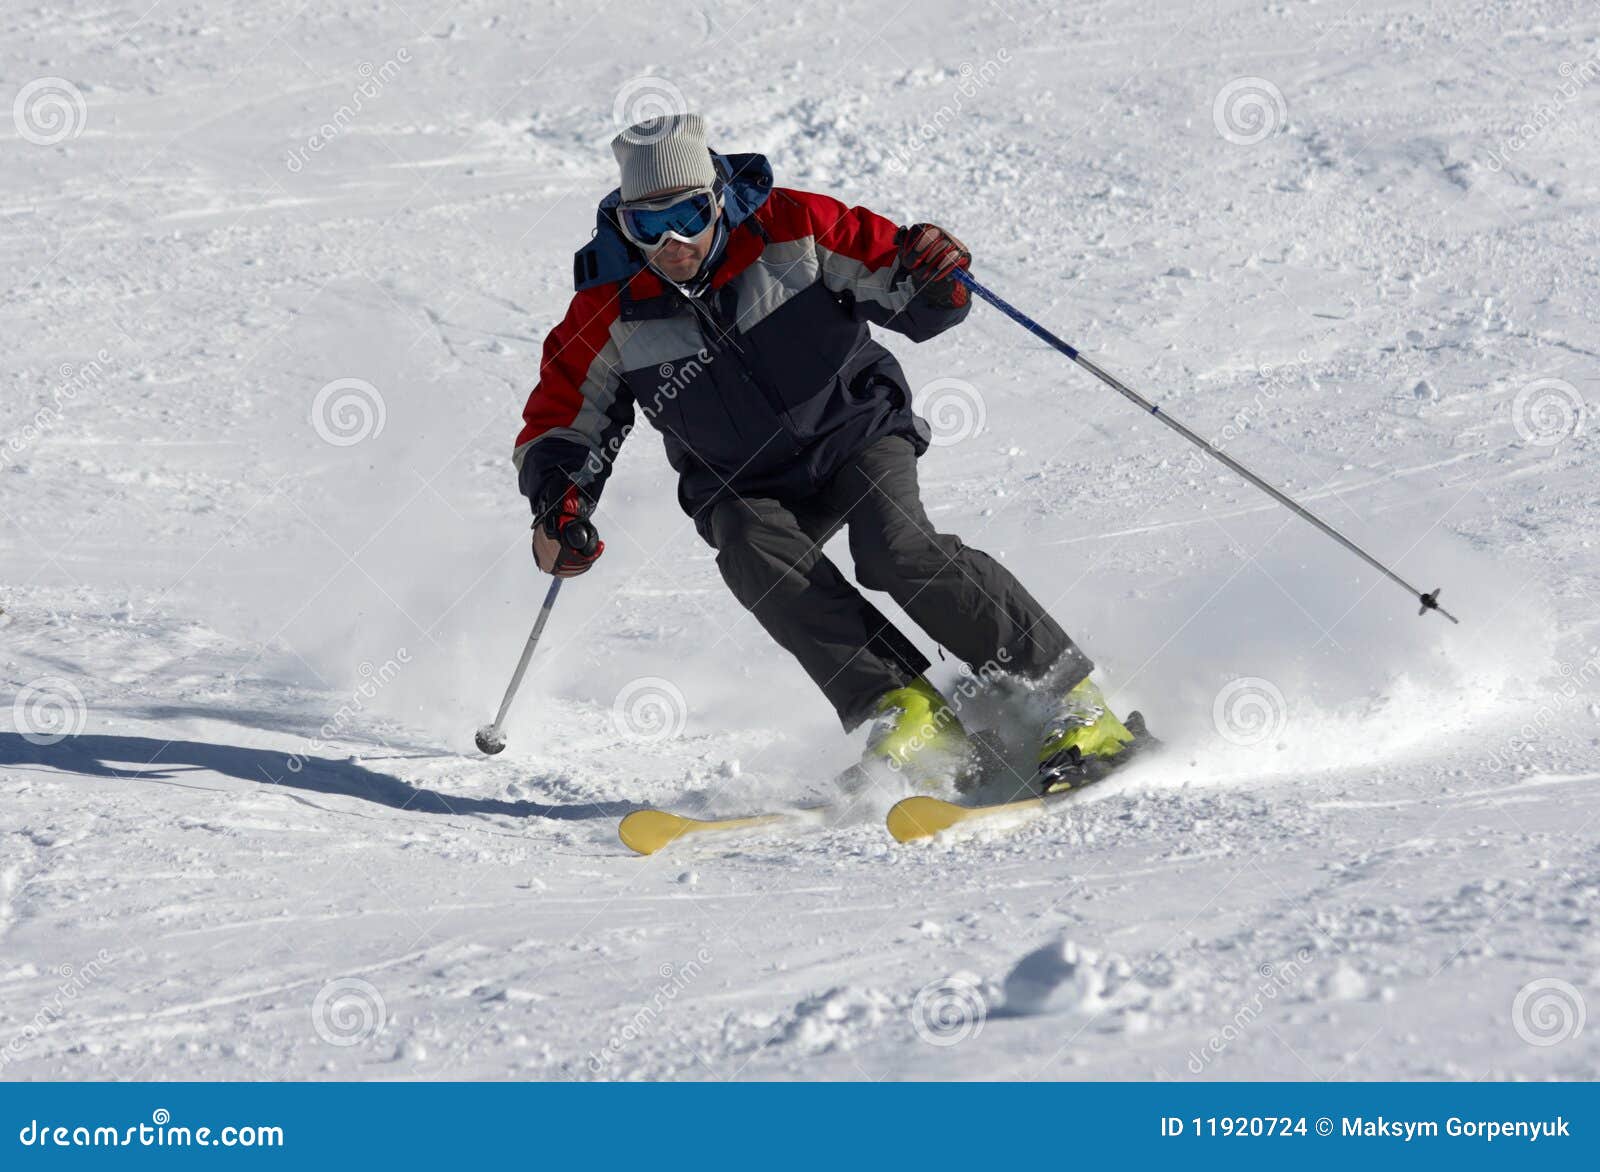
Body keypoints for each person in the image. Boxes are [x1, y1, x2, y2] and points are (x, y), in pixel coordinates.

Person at [513, 113, 1139, 792]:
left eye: (690, 214)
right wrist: (560, 502)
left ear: (718, 198)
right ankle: (907, 709)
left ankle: (1069, 697)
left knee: (896, 550)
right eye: (648, 225)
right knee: (754, 553)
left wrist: (935, 274)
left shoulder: (796, 228)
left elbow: (915, 294)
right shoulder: (608, 305)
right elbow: (565, 421)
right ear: (623, 223)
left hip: (854, 432)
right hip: (739, 479)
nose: (672, 241)